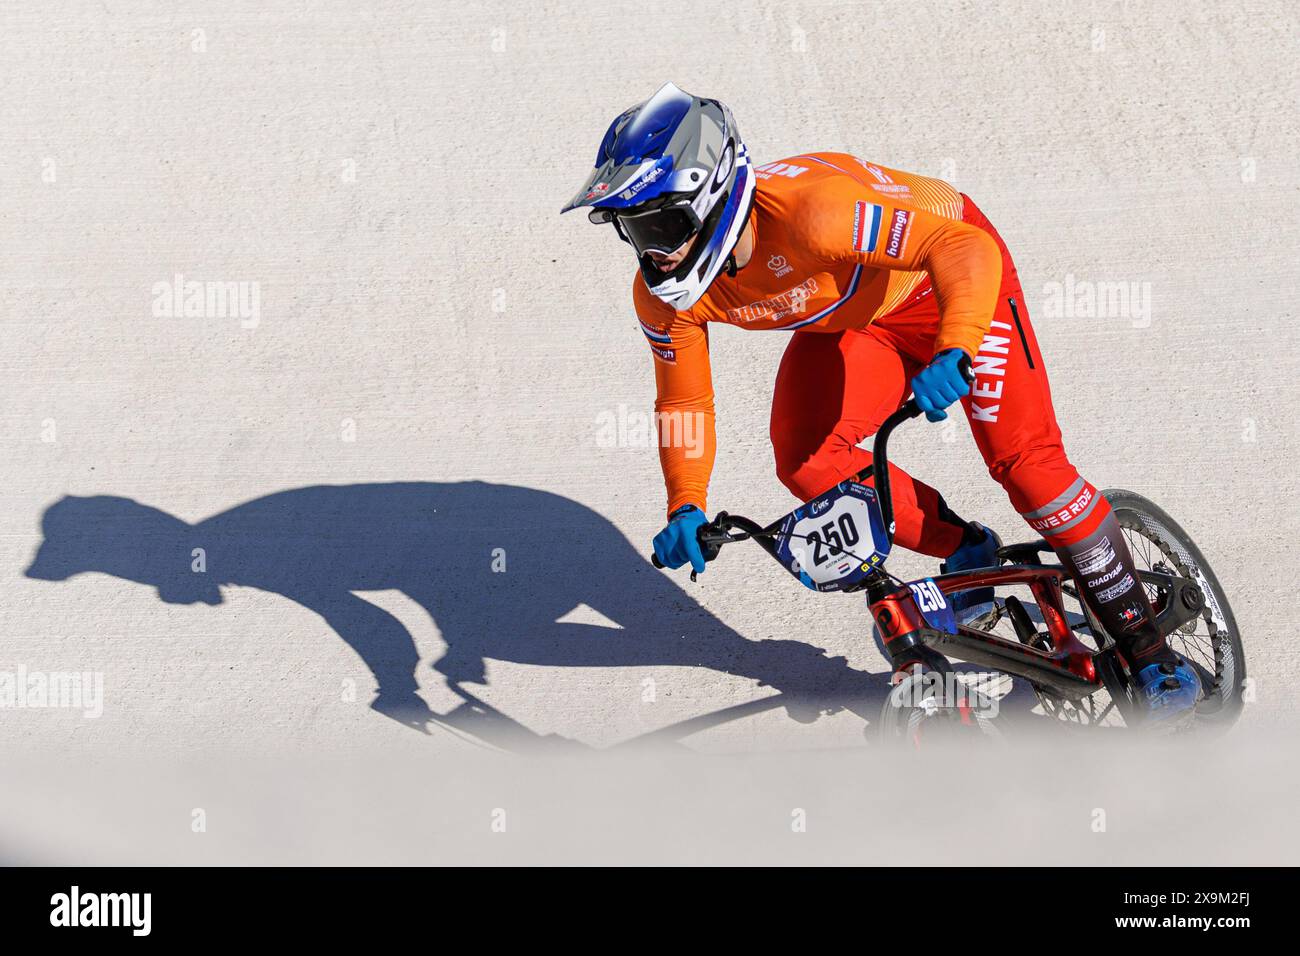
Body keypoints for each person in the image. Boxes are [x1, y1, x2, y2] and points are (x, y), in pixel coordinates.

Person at [562, 83, 1199, 723]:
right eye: (631, 232)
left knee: (1029, 469)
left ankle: (1149, 651)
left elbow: (962, 248)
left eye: (661, 224)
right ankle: (967, 550)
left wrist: (955, 348)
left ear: (713, 195)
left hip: (949, 286)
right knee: (807, 460)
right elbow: (684, 400)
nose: (654, 253)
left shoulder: (816, 212)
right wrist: (686, 504)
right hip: (857, 322)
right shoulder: (663, 296)